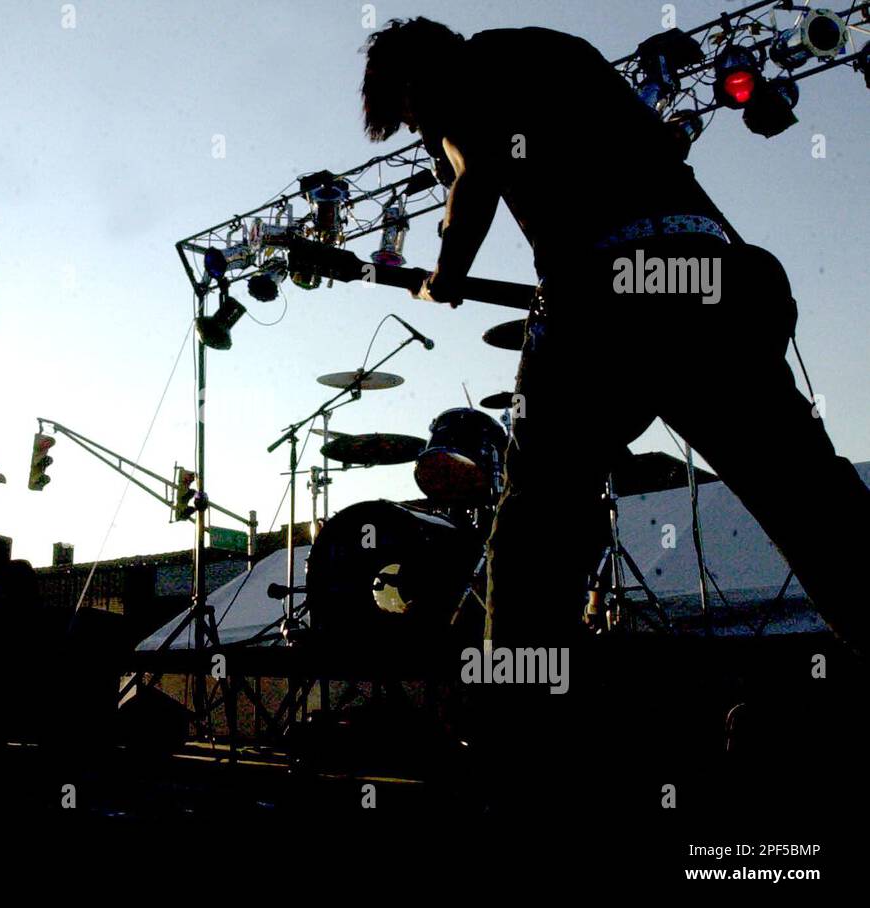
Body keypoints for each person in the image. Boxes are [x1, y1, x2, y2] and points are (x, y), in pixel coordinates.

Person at [360, 18, 868, 658]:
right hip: (712, 276)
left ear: (413, 78)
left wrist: (445, 275)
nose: (422, 135)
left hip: (604, 296)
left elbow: (476, 172)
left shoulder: (464, 72)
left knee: (541, 520)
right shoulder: (563, 50)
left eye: (411, 118)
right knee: (809, 496)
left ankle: (519, 717)